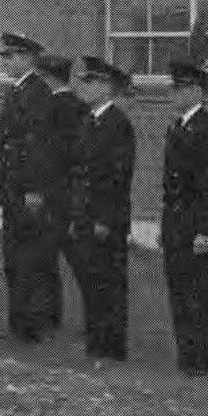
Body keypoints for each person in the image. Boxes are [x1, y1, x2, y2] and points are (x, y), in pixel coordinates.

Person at [160, 59, 208, 374]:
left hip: (197, 223)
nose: (175, 93)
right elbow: (170, 185)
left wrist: (206, 229)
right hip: (176, 222)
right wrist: (165, 225)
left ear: (197, 91)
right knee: (180, 291)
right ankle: (188, 356)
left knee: (202, 293)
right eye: (174, 87)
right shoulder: (177, 127)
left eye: (181, 87)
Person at [0, 32, 57, 342]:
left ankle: (31, 324)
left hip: (27, 191)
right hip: (13, 188)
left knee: (29, 257)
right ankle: (19, 320)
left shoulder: (37, 92)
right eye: (4, 57)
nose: (5, 62)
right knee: (14, 256)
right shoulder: (16, 91)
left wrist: (34, 190)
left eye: (9, 57)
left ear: (26, 58)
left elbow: (39, 146)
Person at [75, 55, 136, 362]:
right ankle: (95, 340)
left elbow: (117, 178)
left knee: (109, 280)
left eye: (90, 82)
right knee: (91, 278)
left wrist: (105, 218)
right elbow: (81, 172)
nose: (83, 88)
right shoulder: (89, 121)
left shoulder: (117, 124)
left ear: (105, 86)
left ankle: (112, 346)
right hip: (86, 215)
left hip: (106, 218)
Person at [41, 52, 87, 329]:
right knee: (80, 262)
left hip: (55, 192)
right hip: (74, 191)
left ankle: (51, 317)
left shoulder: (51, 109)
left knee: (49, 260)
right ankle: (93, 318)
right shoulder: (81, 107)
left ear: (47, 78)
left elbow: (50, 154)